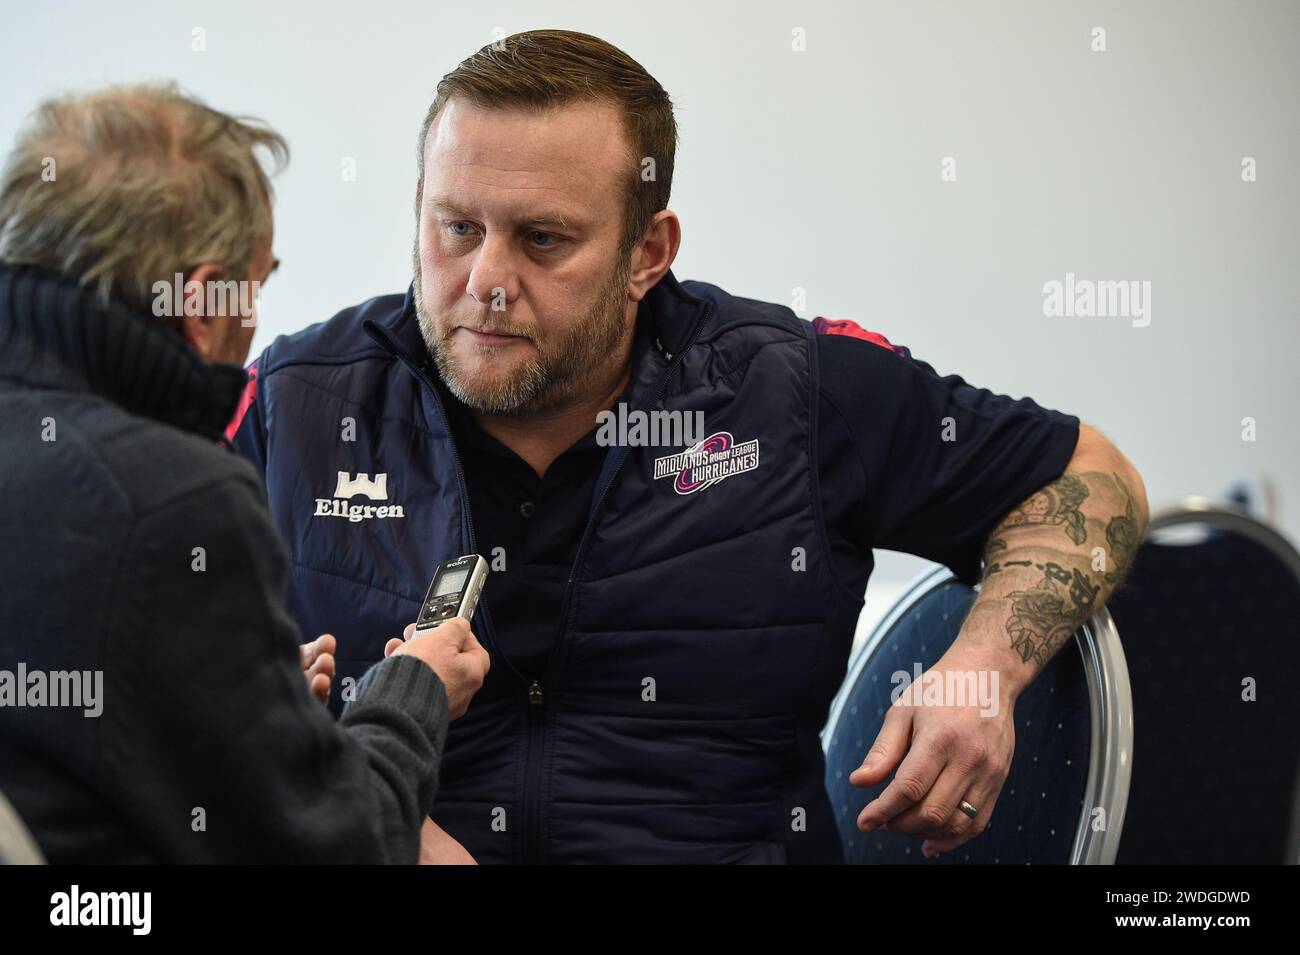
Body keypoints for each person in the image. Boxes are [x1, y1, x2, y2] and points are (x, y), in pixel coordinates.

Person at [231, 30, 1149, 863]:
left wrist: (984, 669)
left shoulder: (793, 391)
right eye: (457, 227)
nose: (487, 281)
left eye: (542, 239)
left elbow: (1092, 477)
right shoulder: (300, 400)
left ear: (647, 253)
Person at [0, 83, 488, 863]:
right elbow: (339, 849)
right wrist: (414, 689)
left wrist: (238, 701)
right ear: (202, 305)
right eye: (255, 288)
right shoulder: (177, 499)